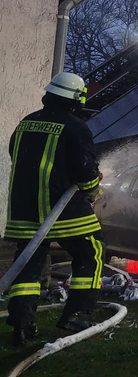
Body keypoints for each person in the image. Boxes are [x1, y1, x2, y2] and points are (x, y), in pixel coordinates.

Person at [4, 73, 104, 346]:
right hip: (60, 208)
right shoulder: (75, 127)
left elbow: (17, 156)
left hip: (24, 210)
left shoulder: (27, 122)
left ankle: (21, 324)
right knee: (90, 250)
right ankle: (78, 314)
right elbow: (85, 173)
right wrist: (93, 186)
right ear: (76, 98)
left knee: (28, 265)